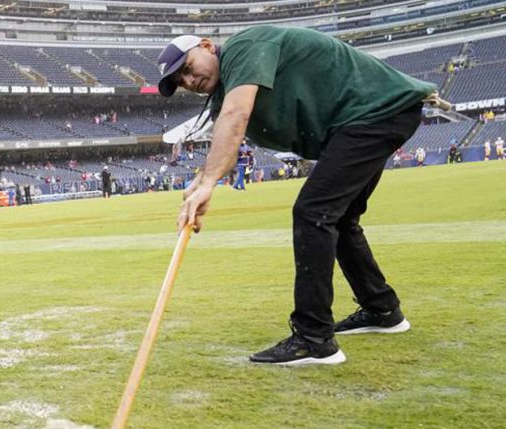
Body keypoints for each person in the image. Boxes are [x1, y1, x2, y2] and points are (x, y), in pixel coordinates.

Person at [160, 27, 437, 365]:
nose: (188, 81)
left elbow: (237, 115)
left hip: (374, 111)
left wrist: (207, 184)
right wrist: (199, 188)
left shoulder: (244, 47)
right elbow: (225, 141)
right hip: (367, 119)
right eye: (180, 82)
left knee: (313, 212)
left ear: (206, 46)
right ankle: (382, 309)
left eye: (187, 68)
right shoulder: (224, 95)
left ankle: (313, 338)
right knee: (340, 217)